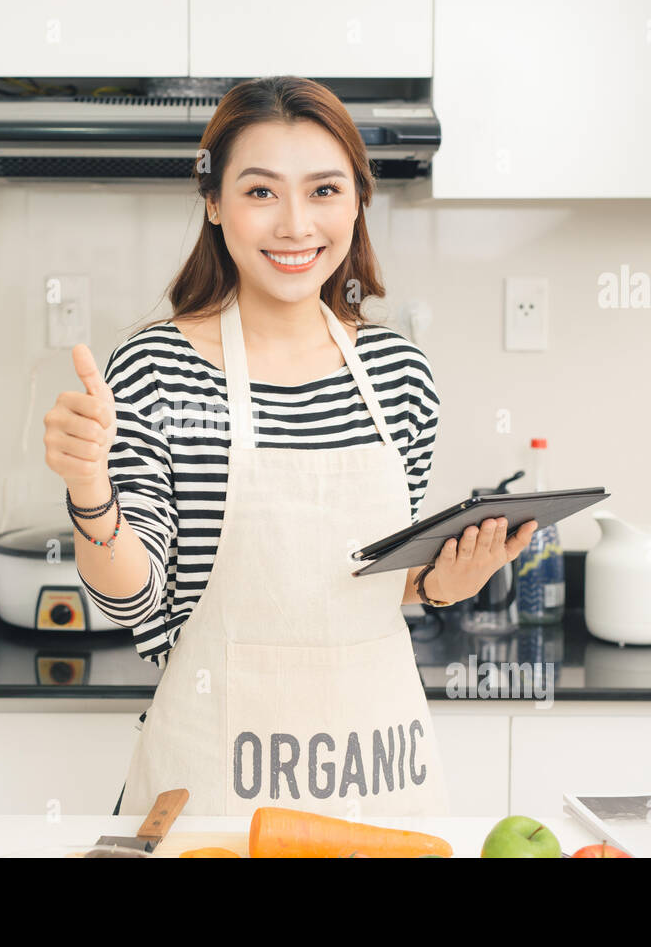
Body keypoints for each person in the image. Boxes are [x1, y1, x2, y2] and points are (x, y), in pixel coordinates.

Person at [43, 76, 536, 818]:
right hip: (210, 795)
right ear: (214, 202)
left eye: (325, 191)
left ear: (357, 202)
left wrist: (440, 583)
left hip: (377, 791)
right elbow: (132, 598)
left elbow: (361, 579)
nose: (297, 225)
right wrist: (89, 490)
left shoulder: (401, 376)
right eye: (262, 192)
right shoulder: (154, 369)